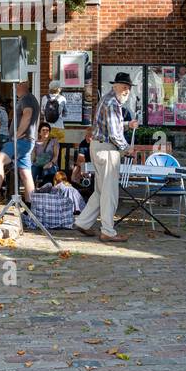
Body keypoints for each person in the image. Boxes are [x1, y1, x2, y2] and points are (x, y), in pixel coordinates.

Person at [72, 72, 135, 243]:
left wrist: (127, 125)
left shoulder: (108, 99)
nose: (126, 91)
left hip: (99, 147)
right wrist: (127, 148)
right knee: (110, 192)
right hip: (107, 149)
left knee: (101, 191)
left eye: (128, 88)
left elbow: (109, 126)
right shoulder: (113, 103)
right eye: (124, 87)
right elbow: (114, 133)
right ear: (115, 86)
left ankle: (83, 222)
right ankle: (108, 231)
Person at [0, 80, 41, 204]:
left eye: (16, 85)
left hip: (21, 141)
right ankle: (31, 208)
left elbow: (28, 114)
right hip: (27, 142)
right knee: (25, 174)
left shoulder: (26, 98)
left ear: (23, 85)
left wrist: (17, 134)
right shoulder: (28, 99)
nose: (14, 88)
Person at [31, 122, 59, 188]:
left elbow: (56, 156)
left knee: (47, 170)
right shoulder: (35, 143)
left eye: (47, 130)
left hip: (51, 164)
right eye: (43, 130)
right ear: (39, 132)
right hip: (39, 164)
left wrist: (51, 163)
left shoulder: (54, 141)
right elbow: (33, 158)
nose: (45, 131)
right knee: (33, 169)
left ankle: (47, 190)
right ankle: (32, 189)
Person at [71, 126, 94, 194]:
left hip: (95, 164)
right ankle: (79, 190)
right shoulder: (83, 143)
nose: (88, 137)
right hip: (85, 164)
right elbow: (80, 159)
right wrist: (83, 169)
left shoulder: (97, 144)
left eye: (90, 136)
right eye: (87, 135)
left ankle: (90, 190)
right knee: (73, 176)